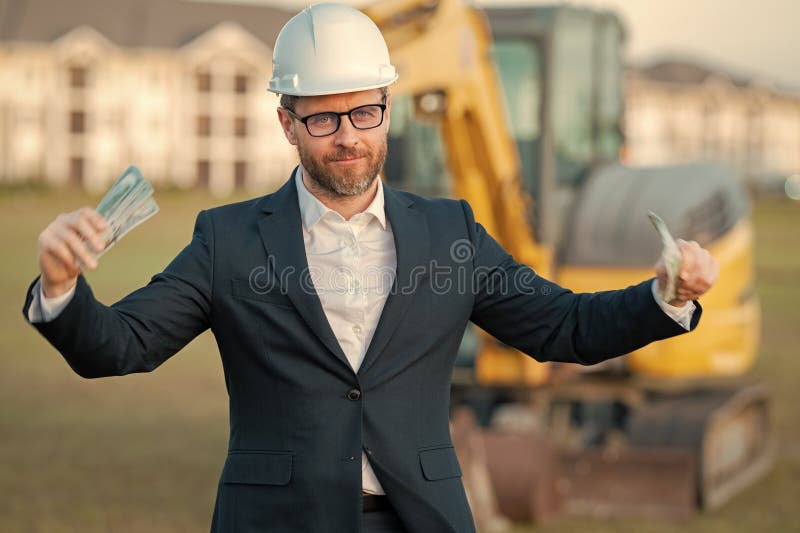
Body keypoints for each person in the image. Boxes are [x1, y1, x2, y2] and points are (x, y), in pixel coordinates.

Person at [23, 4, 717, 532]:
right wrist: (61, 287)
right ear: (287, 123)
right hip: (276, 518)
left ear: (388, 109)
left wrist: (661, 296)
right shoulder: (226, 239)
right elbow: (119, 345)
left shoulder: (453, 233)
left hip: (421, 515)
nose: (349, 135)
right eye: (324, 119)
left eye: (365, 111)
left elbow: (563, 326)